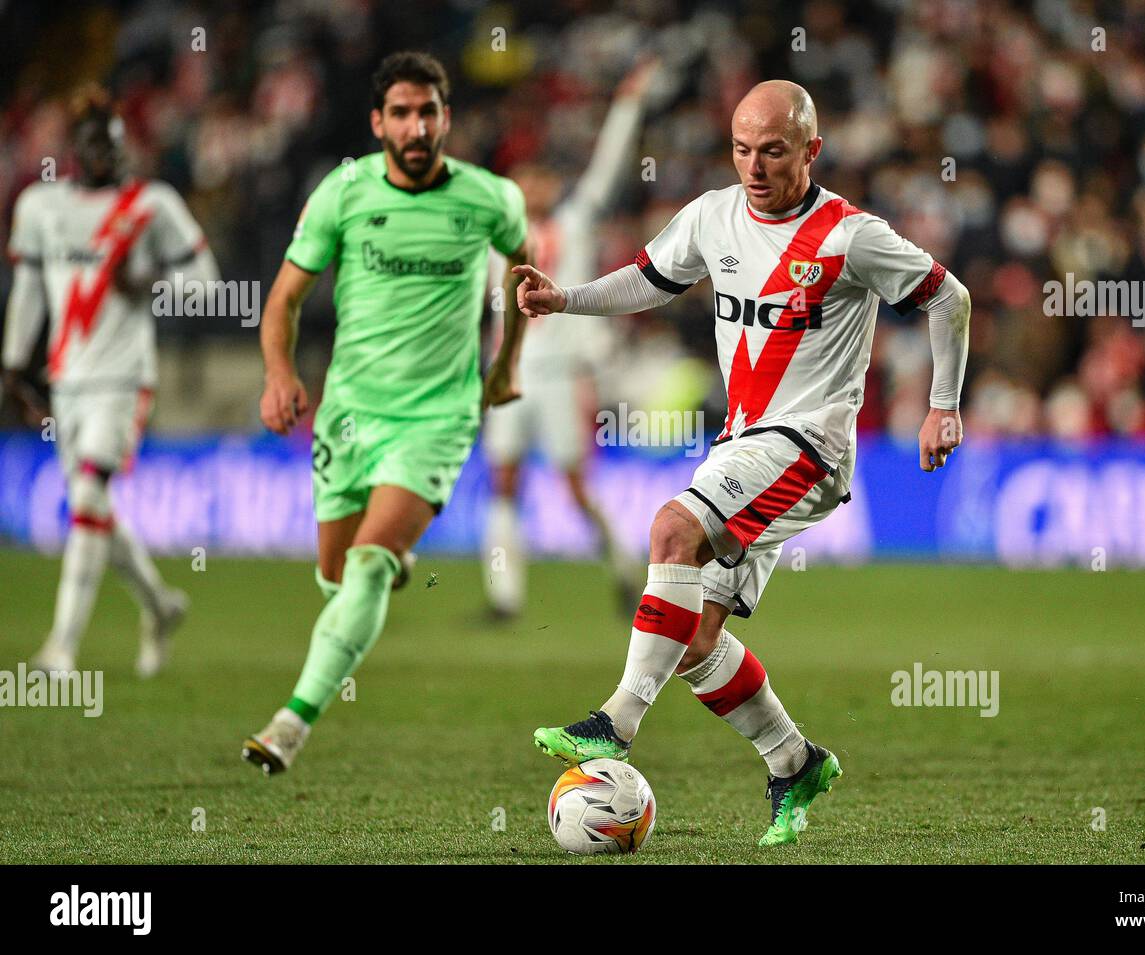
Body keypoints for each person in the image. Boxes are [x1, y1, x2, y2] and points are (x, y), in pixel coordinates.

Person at [515, 80, 971, 846]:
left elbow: (946, 295)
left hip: (809, 445)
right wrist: (566, 299)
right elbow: (649, 280)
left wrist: (944, 402)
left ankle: (616, 722)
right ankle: (793, 759)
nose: (753, 167)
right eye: (741, 149)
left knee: (670, 529)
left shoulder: (849, 235)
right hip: (745, 442)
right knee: (692, 638)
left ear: (811, 151)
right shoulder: (712, 214)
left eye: (773, 151)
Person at [241, 51, 530, 774]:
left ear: (447, 118)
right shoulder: (341, 194)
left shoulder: (491, 198)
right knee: (336, 580)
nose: (415, 125)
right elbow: (283, 299)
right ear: (378, 123)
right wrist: (280, 374)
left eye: (427, 111)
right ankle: (385, 563)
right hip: (348, 413)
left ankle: (290, 723)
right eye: (400, 112)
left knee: (367, 568)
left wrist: (505, 365)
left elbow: (523, 275)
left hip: (438, 416)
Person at [3, 85, 217, 678]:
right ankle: (160, 604)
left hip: (124, 378)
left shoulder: (154, 205)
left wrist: (149, 282)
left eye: (115, 145)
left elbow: (207, 285)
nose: (106, 156)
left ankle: (61, 648)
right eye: (95, 145)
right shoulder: (40, 208)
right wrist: (14, 362)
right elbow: (27, 291)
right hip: (65, 378)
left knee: (91, 496)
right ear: (76, 150)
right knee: (88, 505)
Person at [480, 60, 665, 618]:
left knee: (574, 485)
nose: (533, 188)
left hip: (561, 374)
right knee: (504, 480)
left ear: (553, 186)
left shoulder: (575, 222)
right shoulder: (493, 238)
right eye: (523, 180)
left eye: (540, 179)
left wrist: (627, 104)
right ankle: (504, 598)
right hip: (509, 376)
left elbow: (607, 169)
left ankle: (624, 568)